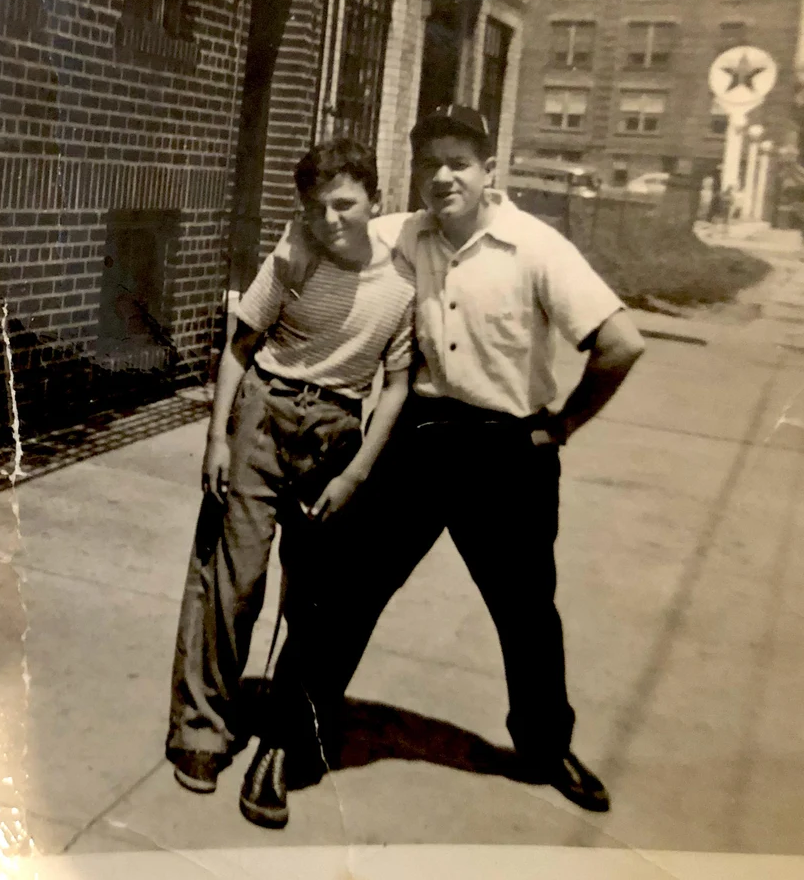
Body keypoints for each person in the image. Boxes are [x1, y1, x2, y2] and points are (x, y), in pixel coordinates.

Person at [269, 103, 646, 816]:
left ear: (488, 171)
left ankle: (544, 747)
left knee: (526, 609)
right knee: (348, 589)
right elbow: (323, 227)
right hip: (419, 435)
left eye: (459, 163)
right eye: (431, 162)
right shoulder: (403, 234)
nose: (443, 176)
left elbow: (621, 342)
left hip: (509, 451)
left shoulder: (536, 247)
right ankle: (296, 737)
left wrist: (564, 421)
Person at [165, 137, 416, 815]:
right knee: (233, 578)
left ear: (375, 201)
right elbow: (240, 346)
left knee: (315, 596)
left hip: (337, 429)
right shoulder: (294, 257)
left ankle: (281, 738)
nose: (333, 219)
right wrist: (217, 438)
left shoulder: (405, 279)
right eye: (318, 207)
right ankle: (200, 731)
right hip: (263, 415)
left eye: (345, 204)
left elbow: (395, 386)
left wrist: (359, 473)